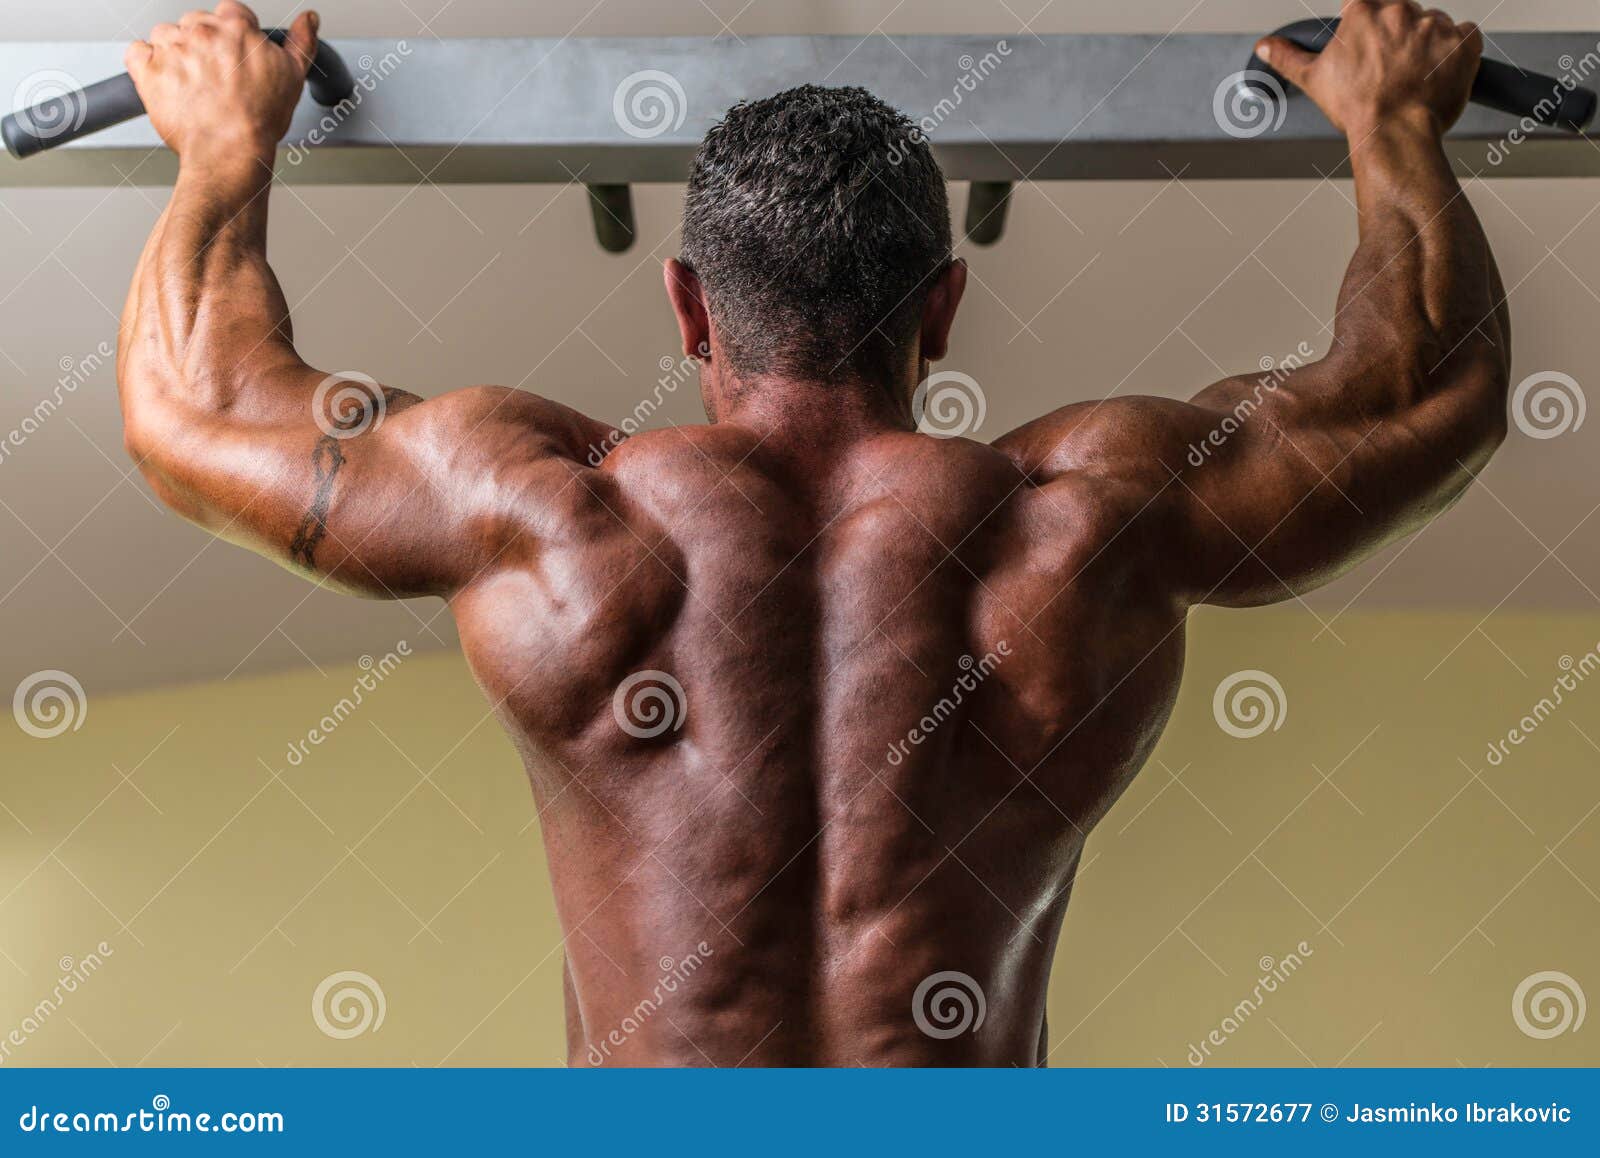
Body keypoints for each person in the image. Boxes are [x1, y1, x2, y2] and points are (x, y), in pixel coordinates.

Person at [117, 1, 1507, 1065]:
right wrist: (1391, 125)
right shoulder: (1084, 527)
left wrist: (227, 144)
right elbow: (1427, 392)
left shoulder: (554, 521)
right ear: (945, 309)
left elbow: (194, 411)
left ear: (688, 308)